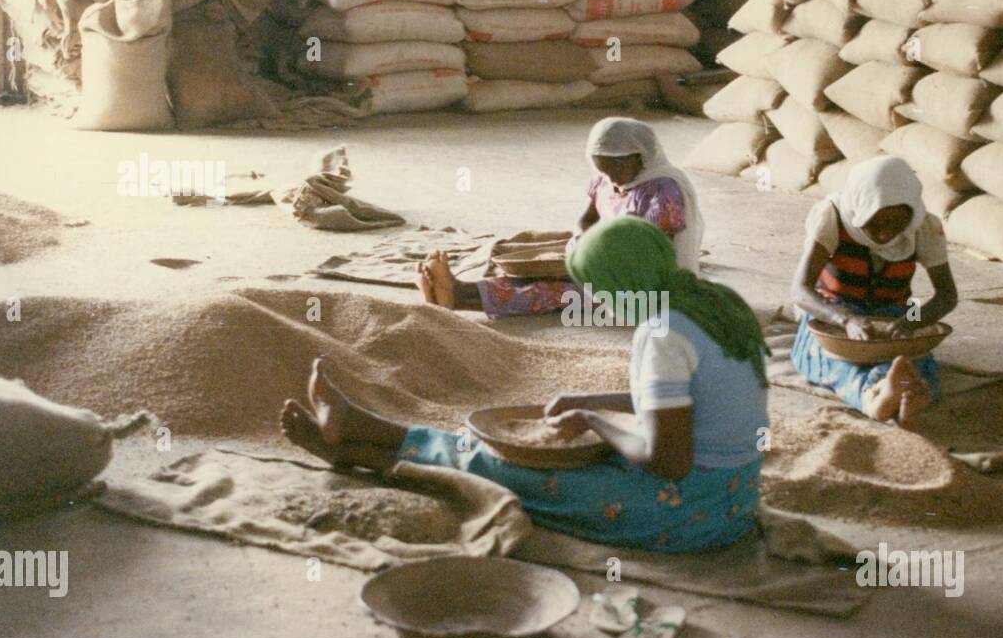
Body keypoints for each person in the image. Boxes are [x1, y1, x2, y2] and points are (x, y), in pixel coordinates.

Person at [281, 217, 768, 553]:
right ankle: (359, 433)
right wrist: (587, 401)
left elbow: (668, 459)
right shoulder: (713, 302)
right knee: (513, 456)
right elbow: (681, 408)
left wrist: (594, 419)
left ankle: (358, 450)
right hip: (735, 492)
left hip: (691, 515)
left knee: (497, 467)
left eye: (596, 288)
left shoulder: (661, 333)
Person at [418, 117, 704, 317]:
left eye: (617, 167)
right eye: (602, 169)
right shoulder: (605, 180)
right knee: (532, 271)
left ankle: (465, 301)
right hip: (605, 259)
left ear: (642, 156)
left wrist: (597, 262)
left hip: (642, 281)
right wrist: (583, 243)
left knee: (555, 292)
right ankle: (460, 289)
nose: (610, 176)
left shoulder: (664, 189)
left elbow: (655, 252)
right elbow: (588, 220)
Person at [789, 156, 958, 429]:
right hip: (833, 315)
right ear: (859, 211)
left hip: (894, 313)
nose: (884, 235)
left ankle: (902, 394)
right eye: (875, 224)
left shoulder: (923, 226)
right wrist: (846, 320)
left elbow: (946, 295)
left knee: (916, 362)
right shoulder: (832, 216)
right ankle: (876, 399)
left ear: (911, 215)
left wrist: (911, 322)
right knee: (839, 362)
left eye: (896, 226)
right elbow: (800, 290)